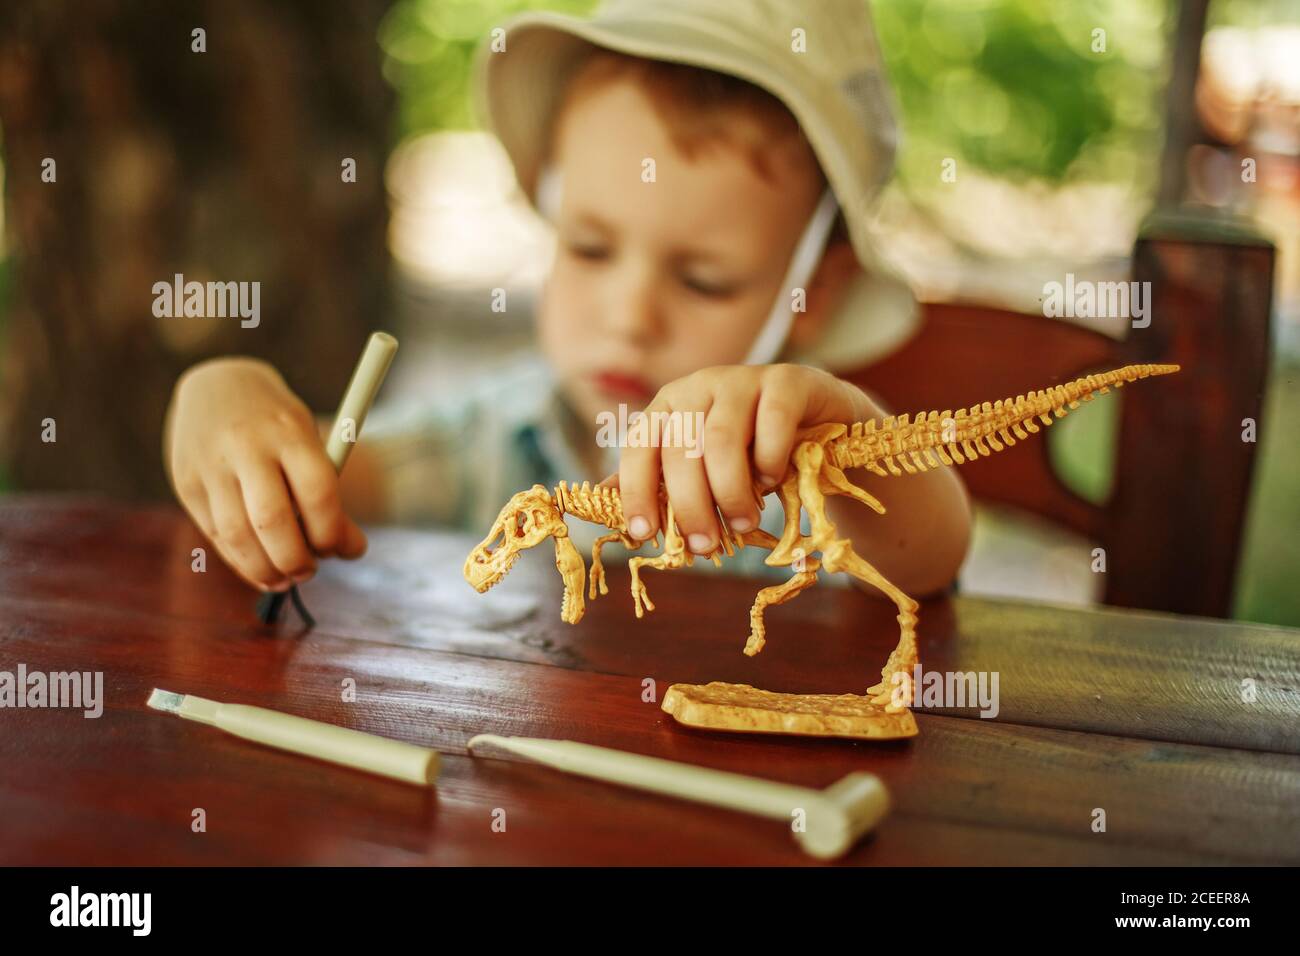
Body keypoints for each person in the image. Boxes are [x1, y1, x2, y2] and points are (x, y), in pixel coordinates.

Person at [162, 0, 971, 600]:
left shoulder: (815, 457)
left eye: (703, 280)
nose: (628, 317)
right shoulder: (489, 440)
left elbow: (929, 557)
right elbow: (315, 486)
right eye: (589, 248)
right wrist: (220, 401)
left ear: (812, 294)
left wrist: (843, 431)